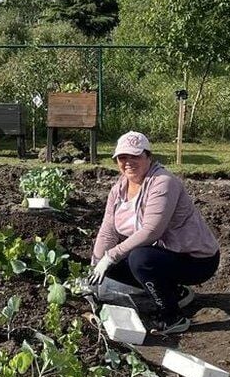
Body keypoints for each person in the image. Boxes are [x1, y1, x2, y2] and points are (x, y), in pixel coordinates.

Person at [89, 131, 220, 335]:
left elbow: (152, 231)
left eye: (135, 156)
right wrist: (97, 263)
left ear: (148, 157)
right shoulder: (118, 189)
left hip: (197, 260)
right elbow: (108, 230)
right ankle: (173, 292)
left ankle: (173, 317)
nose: (128, 162)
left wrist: (111, 255)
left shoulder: (163, 182)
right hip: (166, 254)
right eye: (123, 157)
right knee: (109, 266)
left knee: (139, 259)